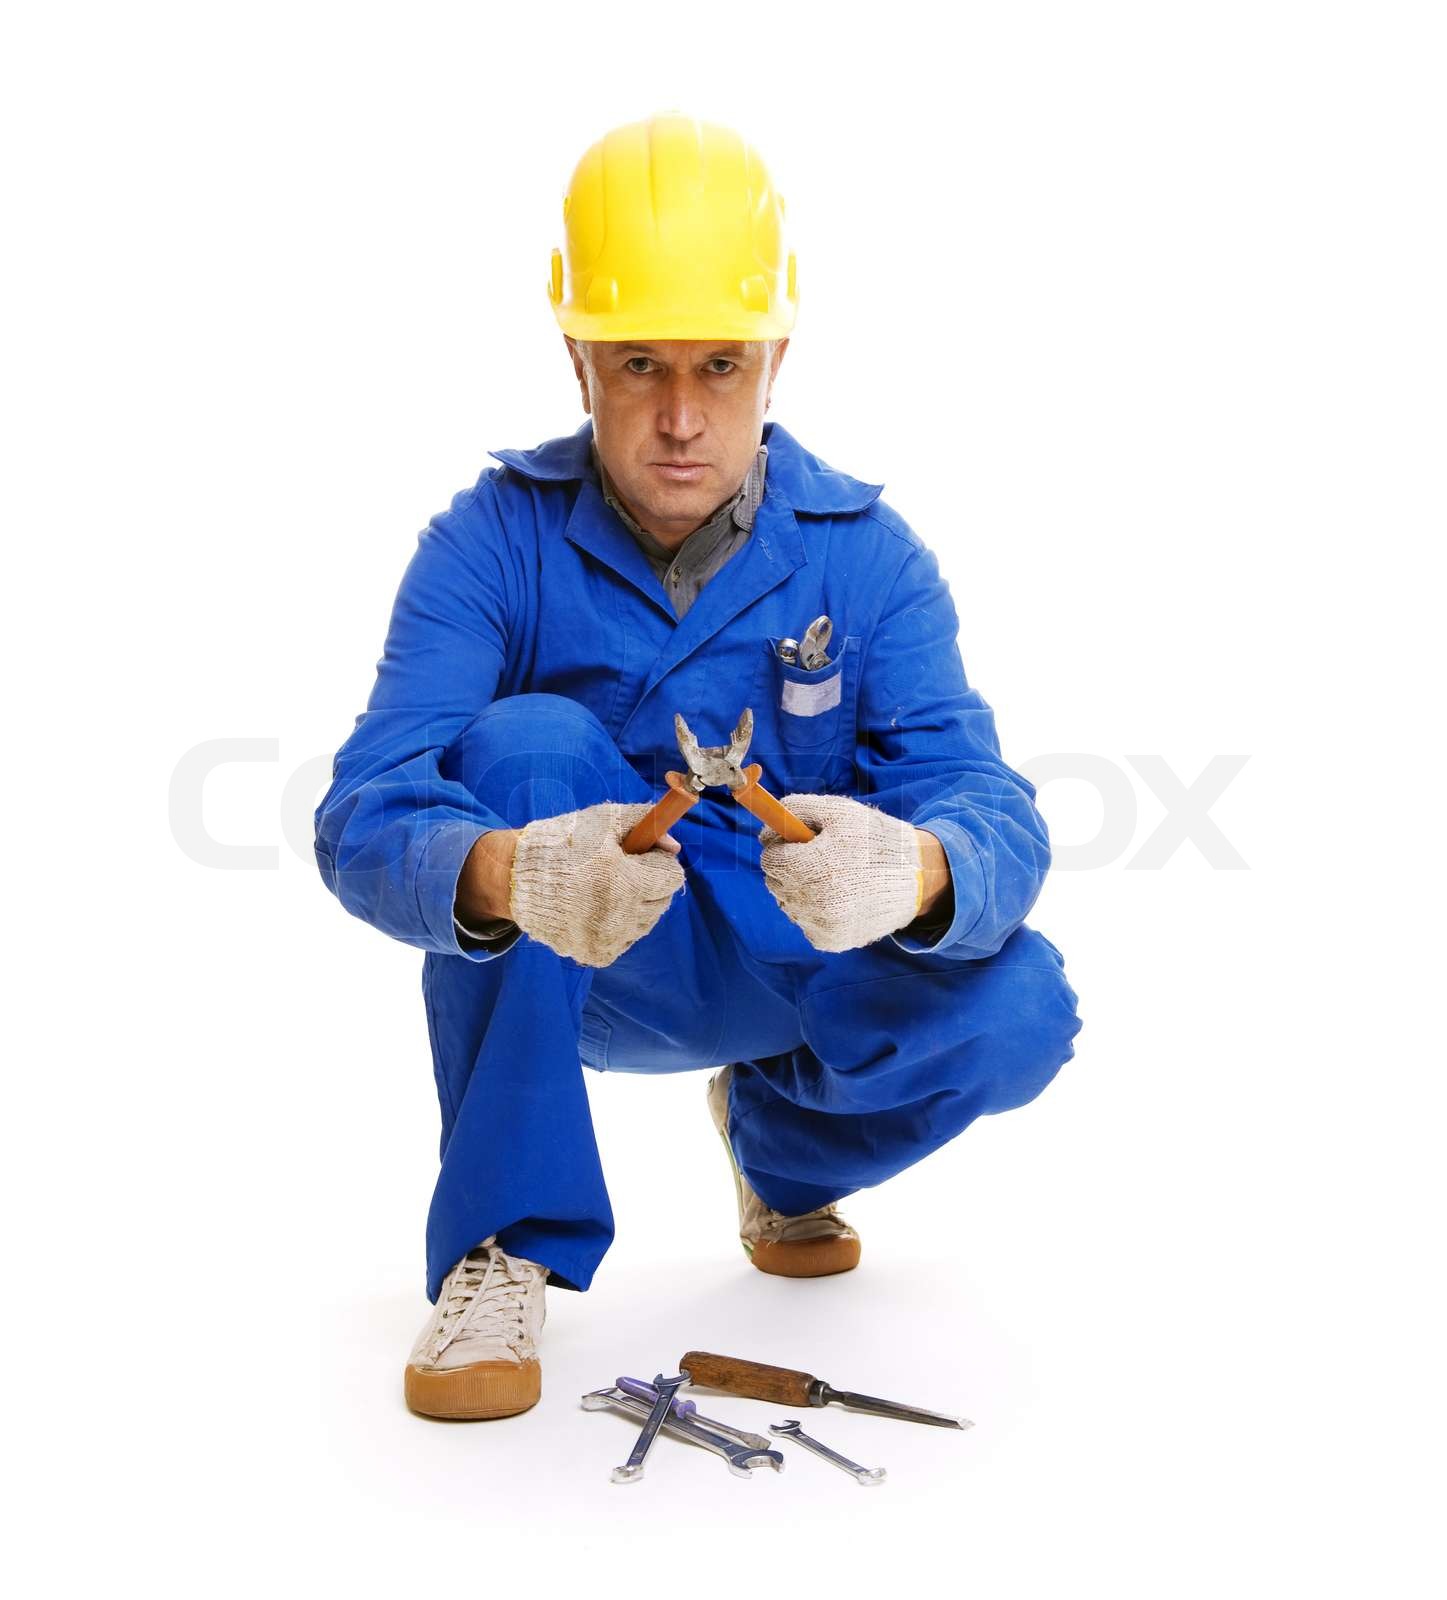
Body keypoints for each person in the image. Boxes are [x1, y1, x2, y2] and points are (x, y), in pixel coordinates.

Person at [314, 111, 1082, 1421]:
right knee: (522, 746)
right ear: (579, 358)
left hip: (799, 960)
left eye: (720, 365)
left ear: (777, 354)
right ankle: (504, 1247)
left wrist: (923, 867)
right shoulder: (485, 545)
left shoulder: (869, 557)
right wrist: (505, 869)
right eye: (638, 364)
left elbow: (987, 795)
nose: (679, 415)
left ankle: (781, 1148)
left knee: (1022, 1010)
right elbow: (365, 810)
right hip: (586, 966)